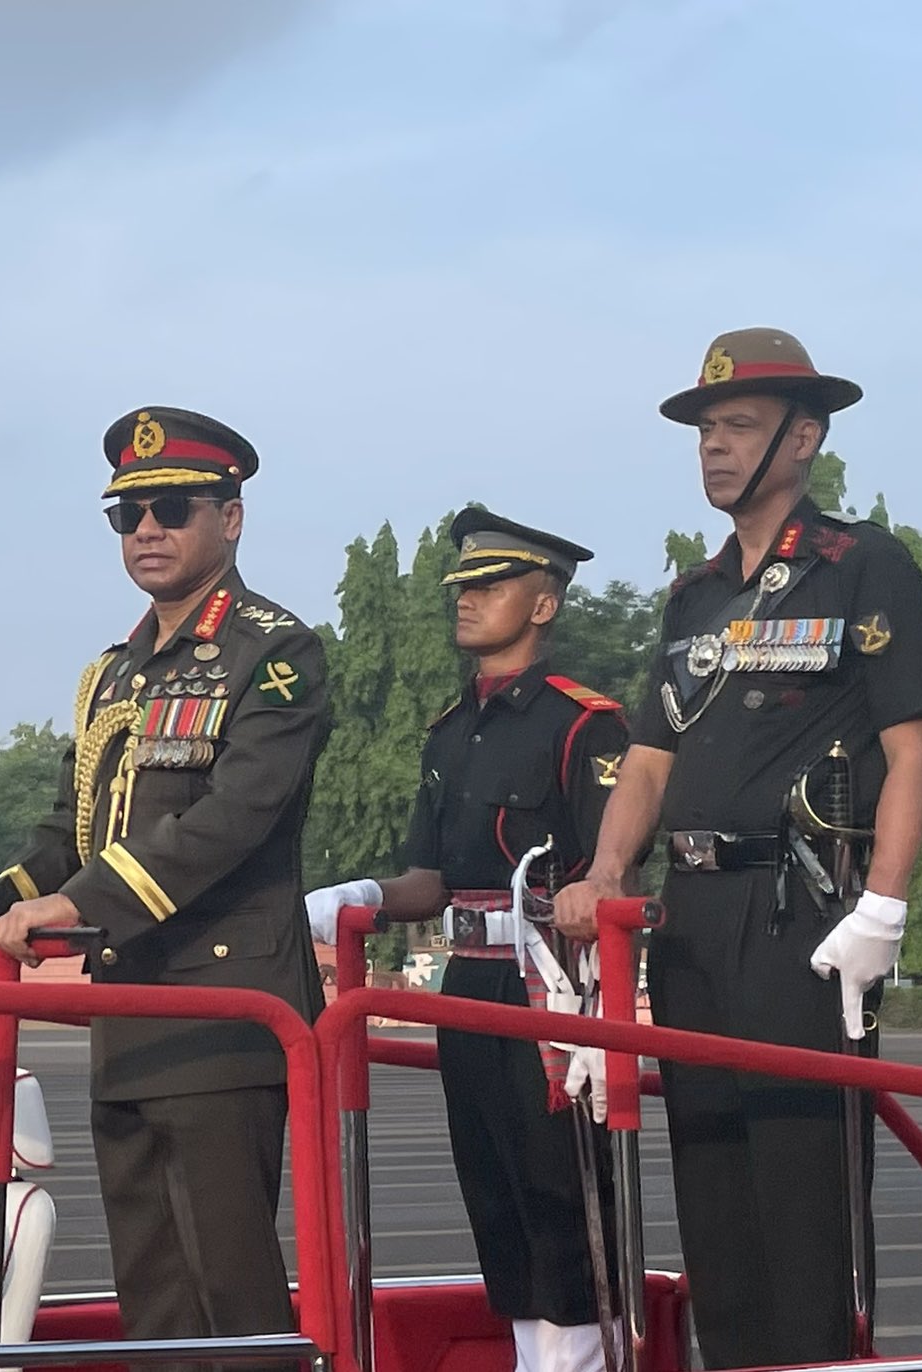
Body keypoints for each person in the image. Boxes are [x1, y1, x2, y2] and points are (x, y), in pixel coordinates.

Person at [554, 329, 922, 1368]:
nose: (711, 449)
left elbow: (913, 750)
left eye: (734, 426)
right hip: (690, 916)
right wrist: (602, 873)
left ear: (801, 435)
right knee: (711, 1190)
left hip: (800, 917)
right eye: (703, 431)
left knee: (799, 1197)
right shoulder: (692, 598)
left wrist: (883, 909)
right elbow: (645, 759)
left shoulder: (862, 566)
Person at [0, 407, 328, 1356]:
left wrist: (81, 905)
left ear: (232, 517)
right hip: (130, 1011)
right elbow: (72, 827)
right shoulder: (115, 675)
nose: (147, 531)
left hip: (226, 1006)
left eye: (172, 508)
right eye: (126, 516)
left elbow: (231, 819)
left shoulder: (277, 651)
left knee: (232, 1289)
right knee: (151, 1284)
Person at [307, 510, 628, 1372]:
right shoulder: (450, 730)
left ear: (545, 603)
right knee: (491, 1185)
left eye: (490, 586)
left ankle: (580, 1357)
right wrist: (362, 895)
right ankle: (531, 1352)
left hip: (548, 983)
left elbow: (608, 872)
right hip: (466, 980)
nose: (467, 599)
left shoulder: (583, 723)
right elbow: (432, 879)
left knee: (560, 1186)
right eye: (462, 587)